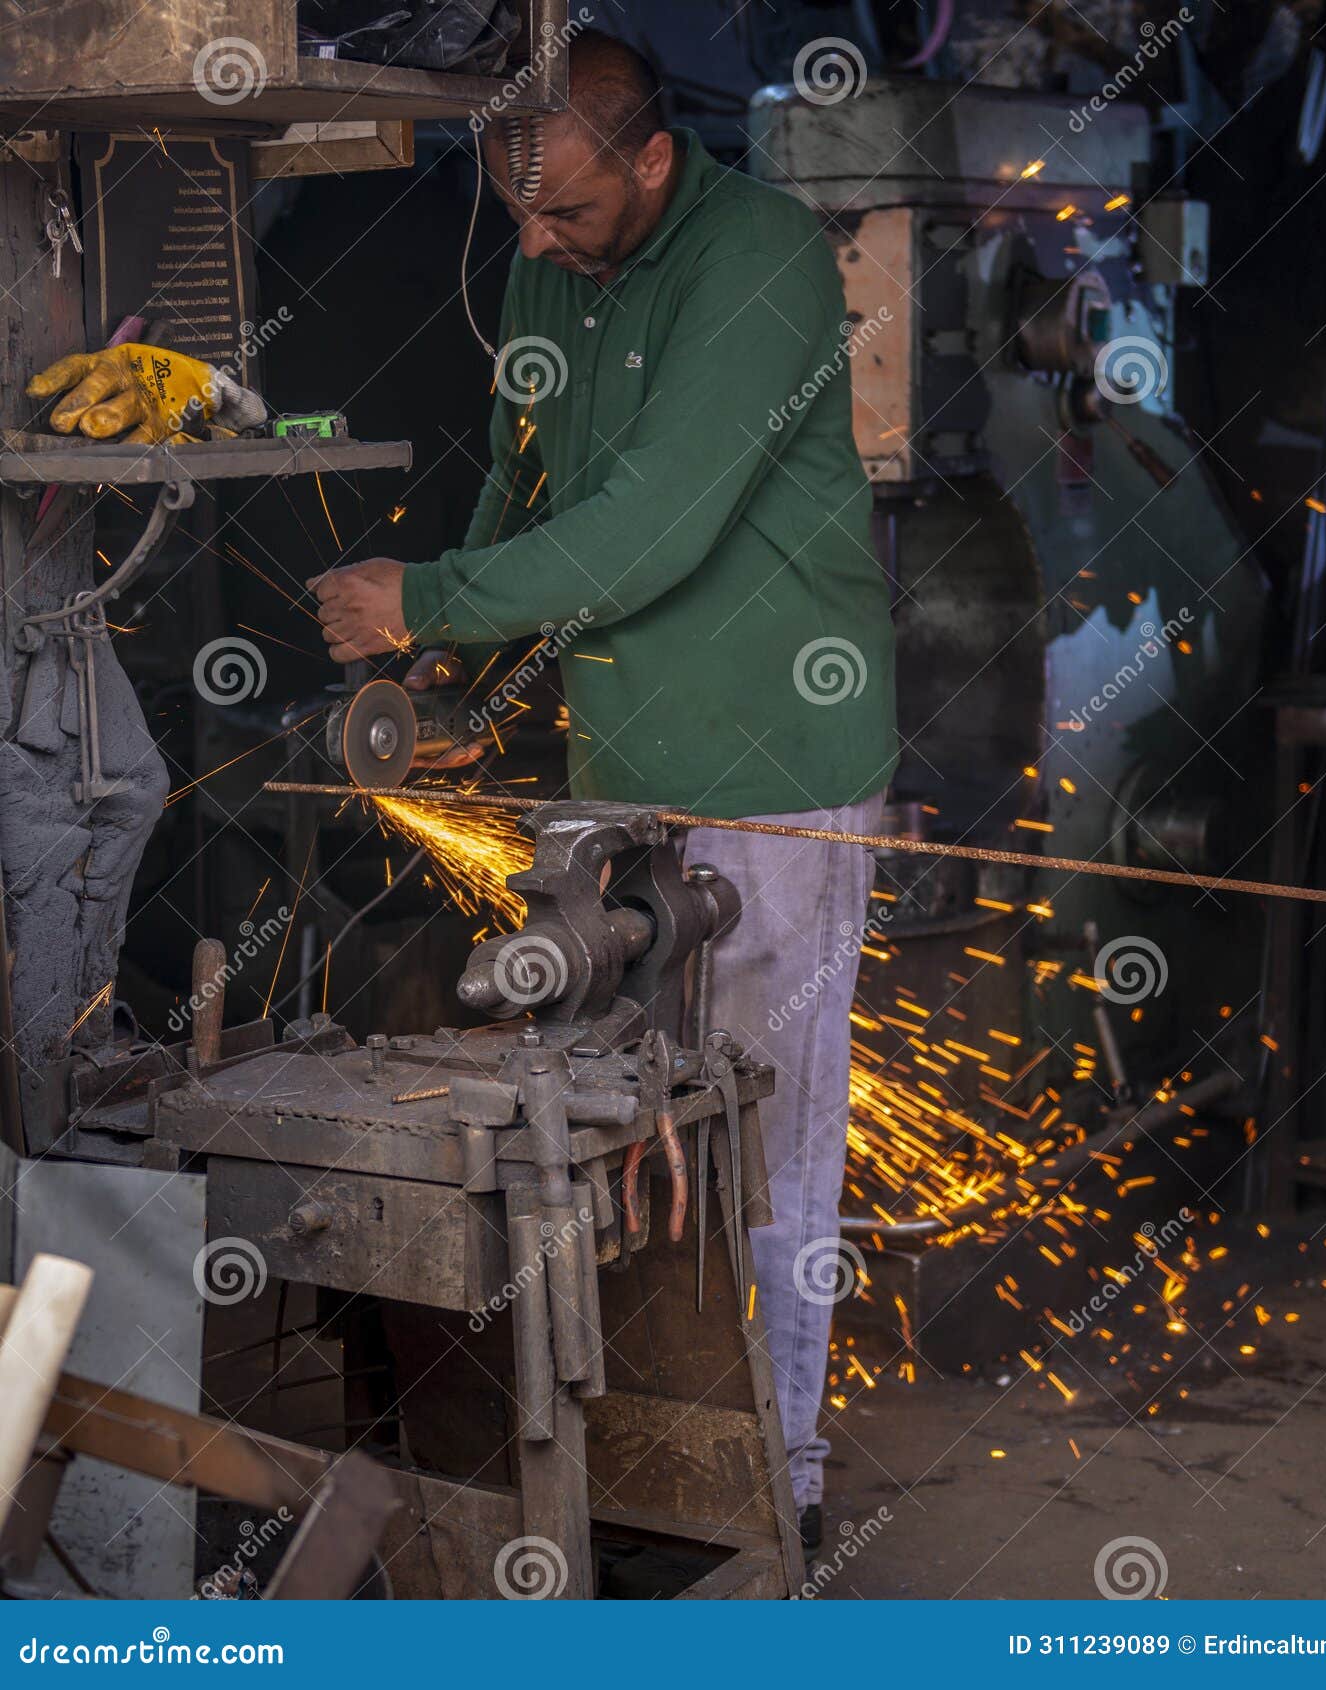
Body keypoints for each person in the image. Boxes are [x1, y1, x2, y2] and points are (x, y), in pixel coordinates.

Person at [311, 28, 897, 1550]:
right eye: (516, 209)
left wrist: (425, 599)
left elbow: (651, 528)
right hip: (618, 777)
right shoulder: (550, 258)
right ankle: (641, 1461)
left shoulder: (756, 260)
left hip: (774, 768)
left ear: (652, 160)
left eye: (564, 208)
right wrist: (449, 682)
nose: (533, 238)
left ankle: (779, 1485)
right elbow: (528, 478)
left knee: (764, 1137)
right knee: (614, 1126)